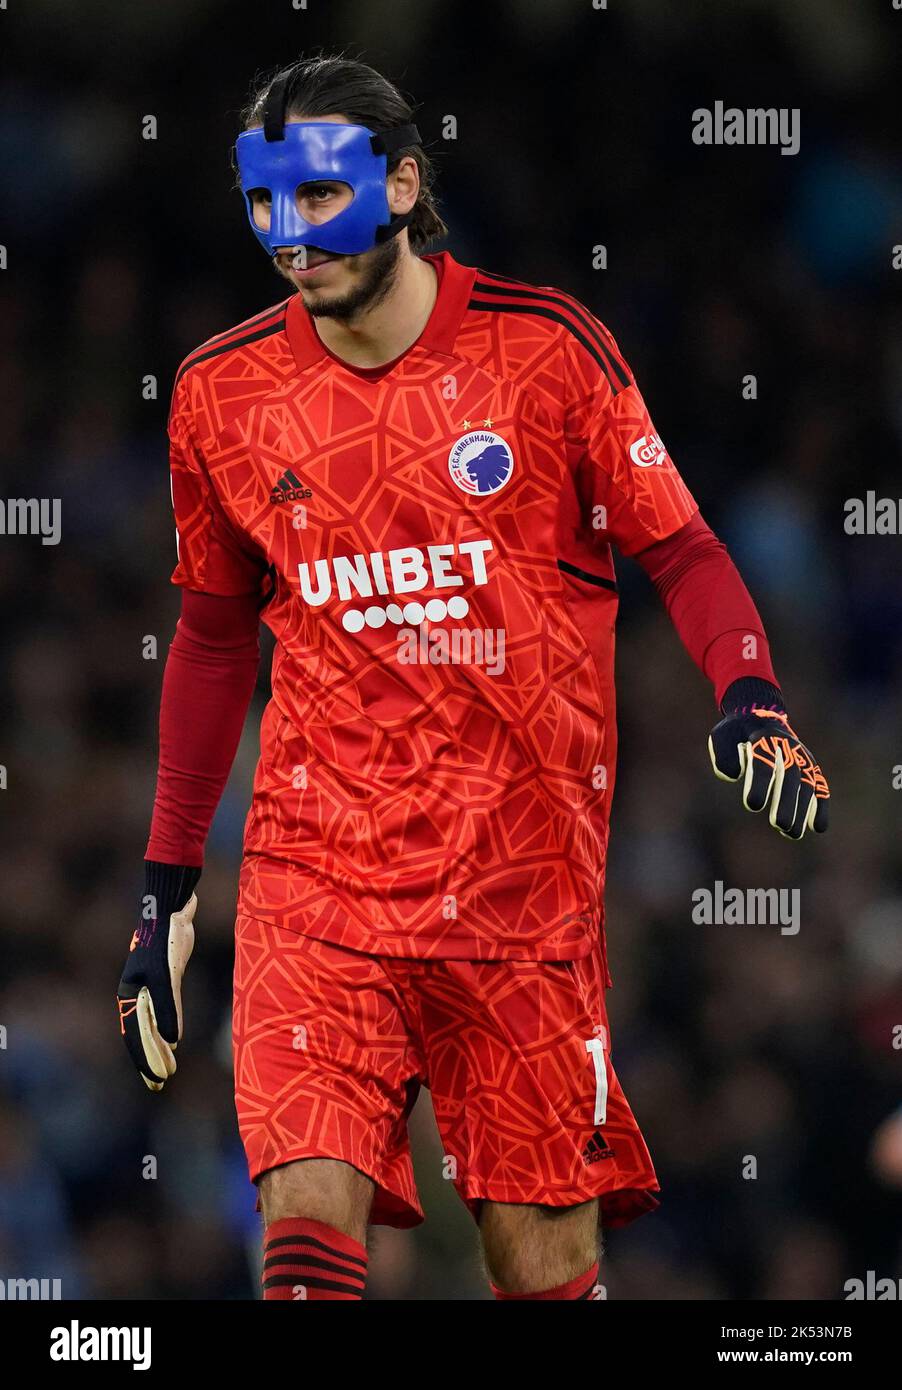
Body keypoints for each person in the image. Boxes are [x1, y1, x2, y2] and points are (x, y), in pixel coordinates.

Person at [117, 54, 829, 1301]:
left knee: (541, 1268)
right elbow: (214, 637)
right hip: (314, 876)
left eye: (322, 200)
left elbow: (682, 546)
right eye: (266, 207)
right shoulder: (219, 394)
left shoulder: (547, 353)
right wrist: (168, 884)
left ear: (401, 182)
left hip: (521, 895)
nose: (292, 239)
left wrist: (748, 691)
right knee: (301, 1233)